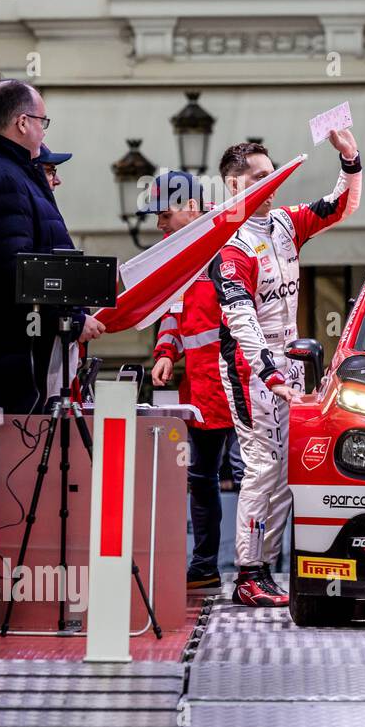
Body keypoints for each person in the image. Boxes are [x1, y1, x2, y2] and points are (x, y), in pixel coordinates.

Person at [213, 132, 362, 607]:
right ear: (234, 186)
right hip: (249, 367)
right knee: (261, 468)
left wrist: (349, 156)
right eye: (260, 177)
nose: (271, 184)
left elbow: (341, 207)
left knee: (283, 470)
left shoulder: (283, 223)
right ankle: (248, 575)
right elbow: (241, 322)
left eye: (272, 173)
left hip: (291, 363)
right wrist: (269, 374)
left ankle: (265, 570)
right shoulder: (229, 244)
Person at [0, 79, 103, 414]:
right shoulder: (5, 179)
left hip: (8, 353)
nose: (44, 133)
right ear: (22, 123)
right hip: (7, 356)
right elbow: (14, 268)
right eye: (42, 123)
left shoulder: (12, 173)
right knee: (9, 459)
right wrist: (67, 319)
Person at [145, 170, 233, 590]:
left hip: (239, 380)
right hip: (205, 386)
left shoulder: (228, 239)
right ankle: (207, 566)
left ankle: (252, 568)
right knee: (202, 476)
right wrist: (165, 353)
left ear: (192, 207)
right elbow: (173, 311)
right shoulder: (176, 249)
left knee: (245, 475)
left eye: (164, 215)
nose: (158, 225)